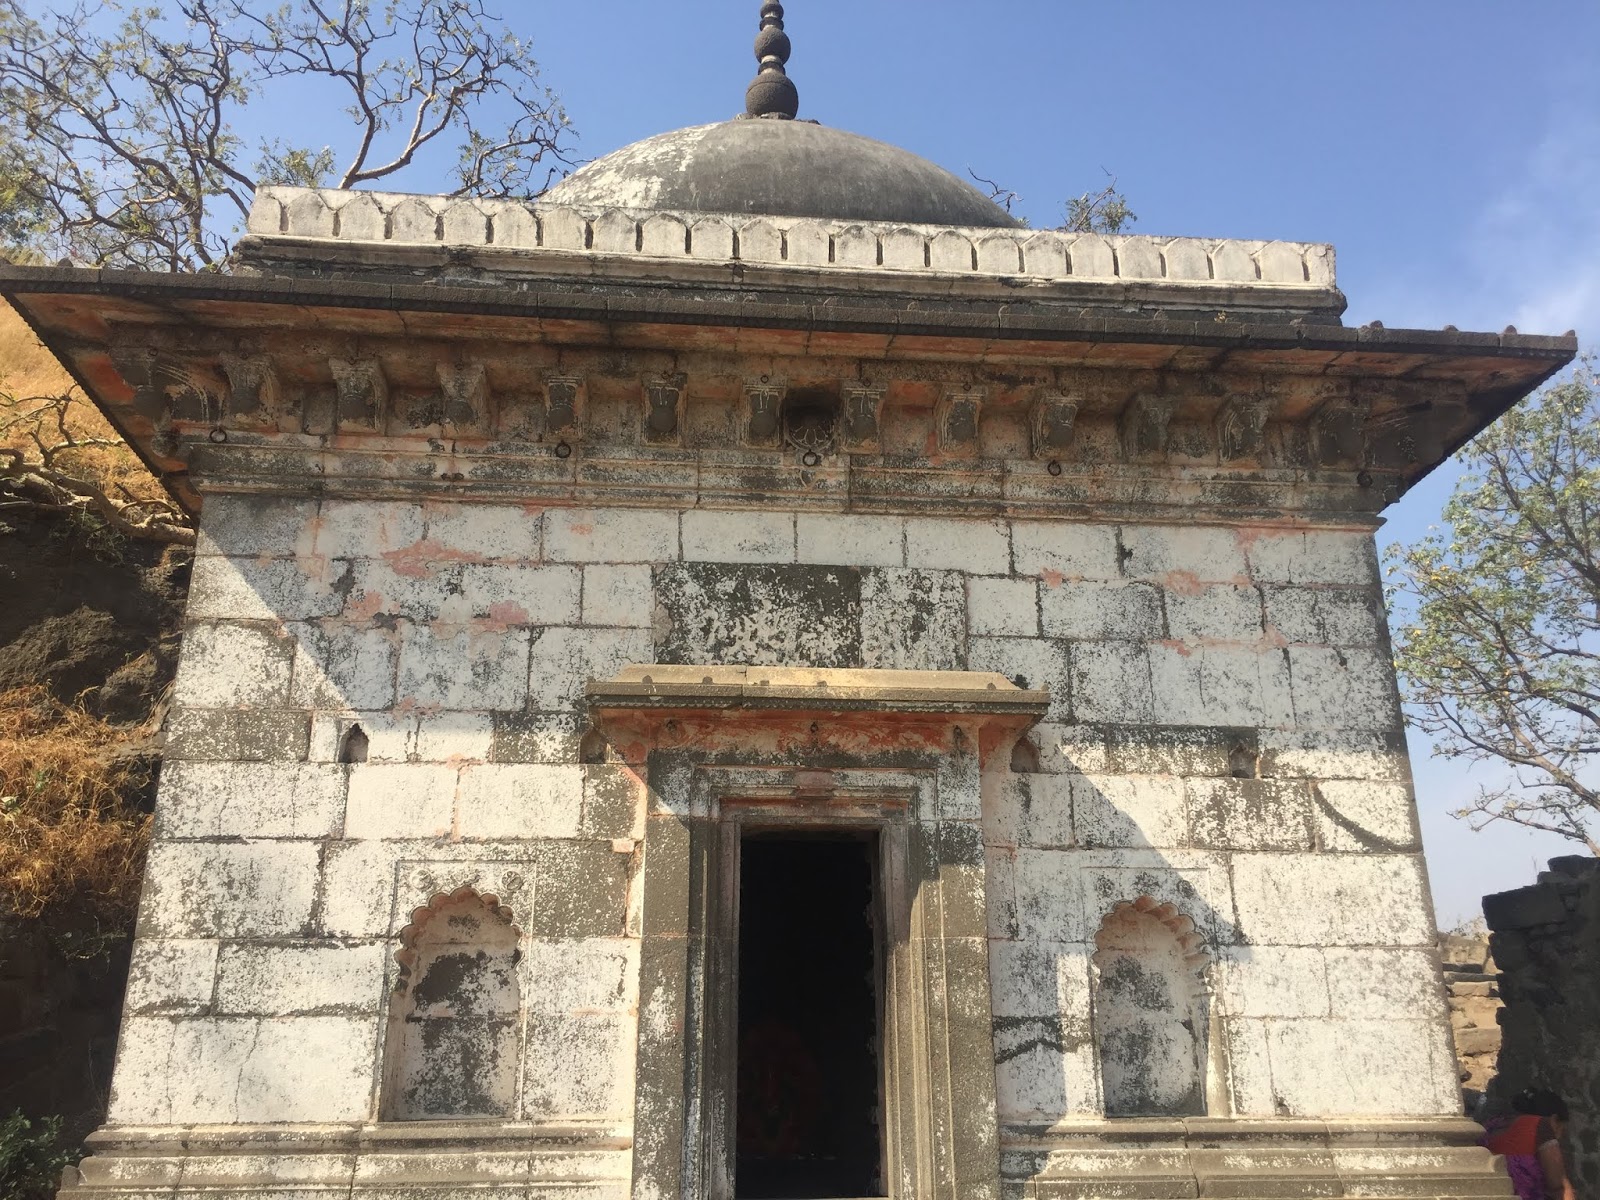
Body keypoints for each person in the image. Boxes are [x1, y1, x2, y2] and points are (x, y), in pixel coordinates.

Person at [1481, 1088, 1576, 1200]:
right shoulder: (1542, 1126)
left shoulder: (1492, 1126)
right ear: (1554, 1119)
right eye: (1561, 1129)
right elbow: (1557, 1184)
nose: (1559, 1136)